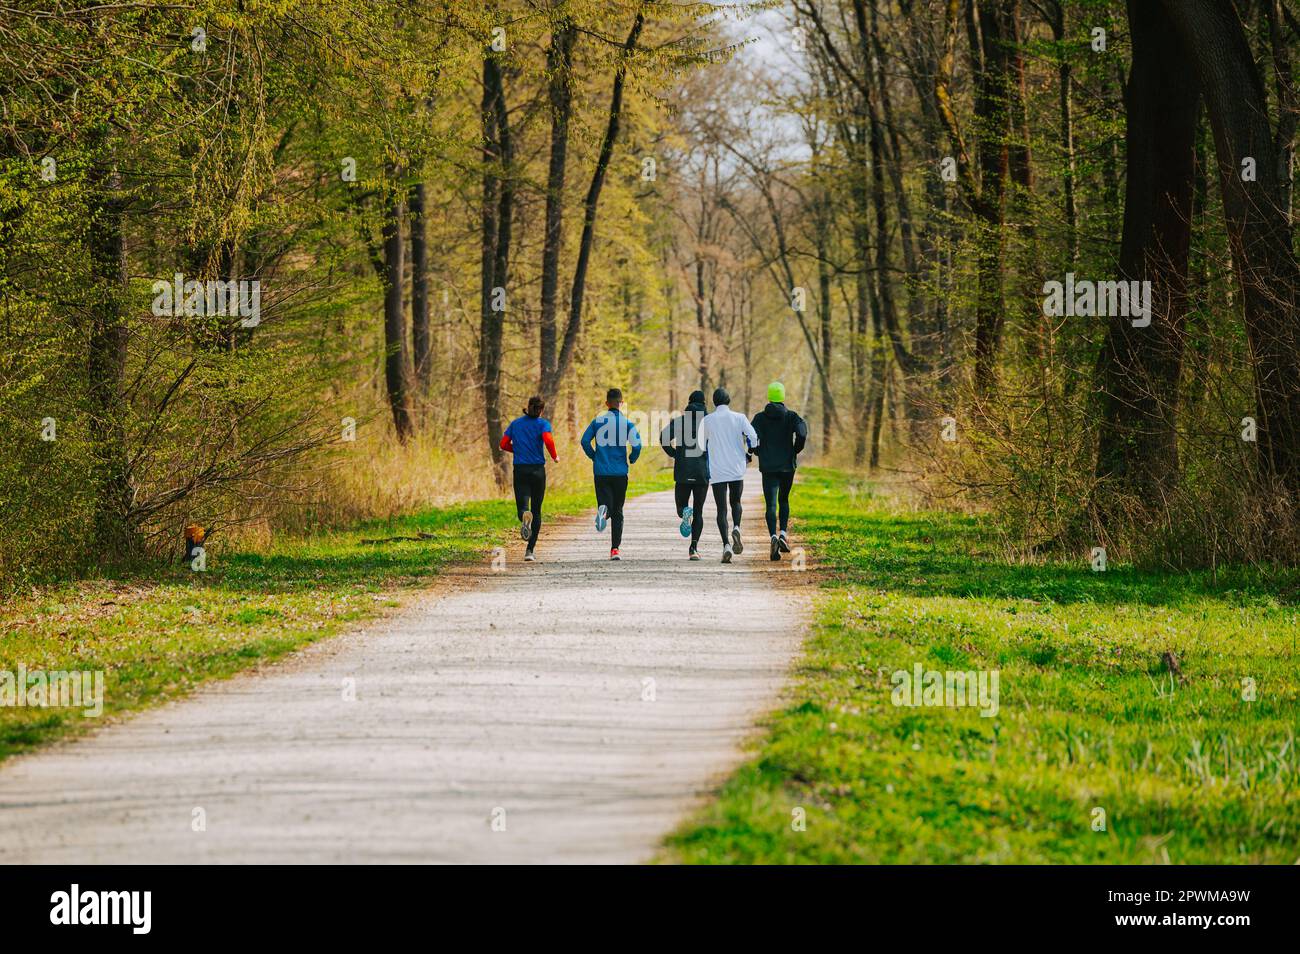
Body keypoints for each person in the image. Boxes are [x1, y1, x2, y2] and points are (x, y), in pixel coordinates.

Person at [697, 386, 758, 564]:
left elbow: (701, 445)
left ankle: (726, 545)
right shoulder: (739, 418)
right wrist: (749, 453)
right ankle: (737, 527)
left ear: (714, 402)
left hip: (717, 470)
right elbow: (753, 437)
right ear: (728, 400)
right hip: (737, 468)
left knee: (721, 509)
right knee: (736, 502)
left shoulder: (707, 420)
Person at [580, 387, 642, 561]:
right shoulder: (627, 423)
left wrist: (595, 456)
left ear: (607, 403)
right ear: (621, 403)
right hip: (620, 472)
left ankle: (603, 511)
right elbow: (637, 445)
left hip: (601, 471)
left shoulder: (597, 421)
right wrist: (632, 458)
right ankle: (615, 549)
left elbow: (584, 441)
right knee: (618, 511)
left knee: (605, 504)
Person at [750, 381, 808, 561]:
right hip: (786, 466)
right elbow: (803, 434)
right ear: (783, 396)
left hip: (768, 467)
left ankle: (772, 537)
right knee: (783, 499)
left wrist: (758, 452)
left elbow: (751, 437)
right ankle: (782, 533)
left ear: (769, 396)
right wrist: (795, 450)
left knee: (770, 504)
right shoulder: (792, 416)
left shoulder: (759, 418)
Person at [500, 395, 559, 562]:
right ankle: (529, 550)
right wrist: (554, 456)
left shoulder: (516, 424)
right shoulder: (543, 424)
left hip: (520, 470)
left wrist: (517, 450)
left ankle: (524, 517)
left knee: (523, 507)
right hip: (537, 471)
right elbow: (548, 440)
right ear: (541, 410)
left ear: (528, 406)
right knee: (537, 511)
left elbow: (503, 444)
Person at [660, 390, 710, 560]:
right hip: (702, 472)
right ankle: (693, 548)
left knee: (681, 507)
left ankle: (684, 512)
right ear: (704, 404)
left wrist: (674, 453)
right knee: (699, 512)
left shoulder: (680, 421)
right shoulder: (709, 423)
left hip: (683, 471)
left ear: (688, 404)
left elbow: (663, 437)